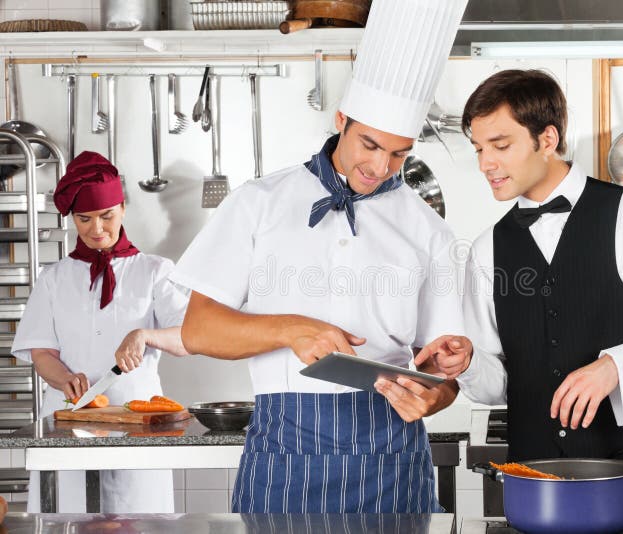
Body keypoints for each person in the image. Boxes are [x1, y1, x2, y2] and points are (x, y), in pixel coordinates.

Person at [169, 0, 470, 514]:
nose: (381, 166)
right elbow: (198, 330)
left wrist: (439, 389)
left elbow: (443, 376)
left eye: (399, 153)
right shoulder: (258, 203)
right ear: (341, 120)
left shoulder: (430, 230)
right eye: (369, 144)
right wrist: (291, 329)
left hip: (391, 461)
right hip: (285, 455)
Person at [443, 69, 623, 514]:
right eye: (478, 149)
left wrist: (615, 366)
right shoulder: (485, 250)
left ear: (547, 139)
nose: (485, 164)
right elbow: (497, 387)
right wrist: (470, 361)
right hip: (533, 487)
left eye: (500, 145)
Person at [11, 151, 190, 513]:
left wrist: (146, 335)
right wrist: (63, 379)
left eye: (106, 216)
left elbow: (189, 337)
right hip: (68, 420)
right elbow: (41, 352)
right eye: (84, 219)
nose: (96, 229)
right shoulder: (54, 278)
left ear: (122, 208)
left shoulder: (155, 271)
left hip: (139, 422)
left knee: (141, 521)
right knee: (66, 518)